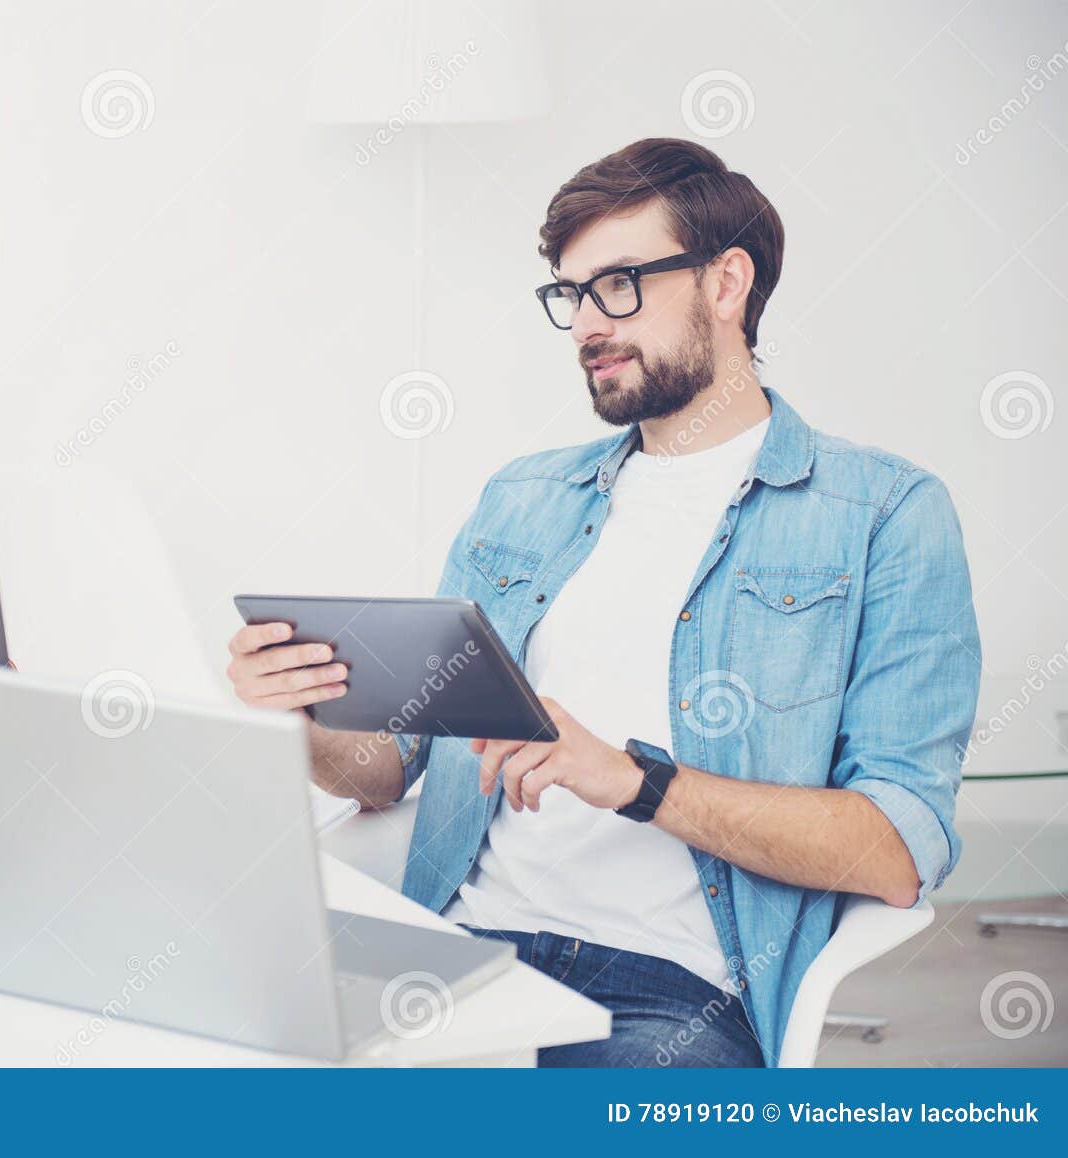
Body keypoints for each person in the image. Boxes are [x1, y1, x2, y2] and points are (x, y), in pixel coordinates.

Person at [225, 138, 981, 1067]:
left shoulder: (886, 515)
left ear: (726, 283)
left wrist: (634, 781)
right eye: (572, 294)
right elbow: (391, 767)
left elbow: (896, 850)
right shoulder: (522, 499)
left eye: (618, 285)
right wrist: (300, 718)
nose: (587, 324)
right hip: (461, 955)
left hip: (675, 998)